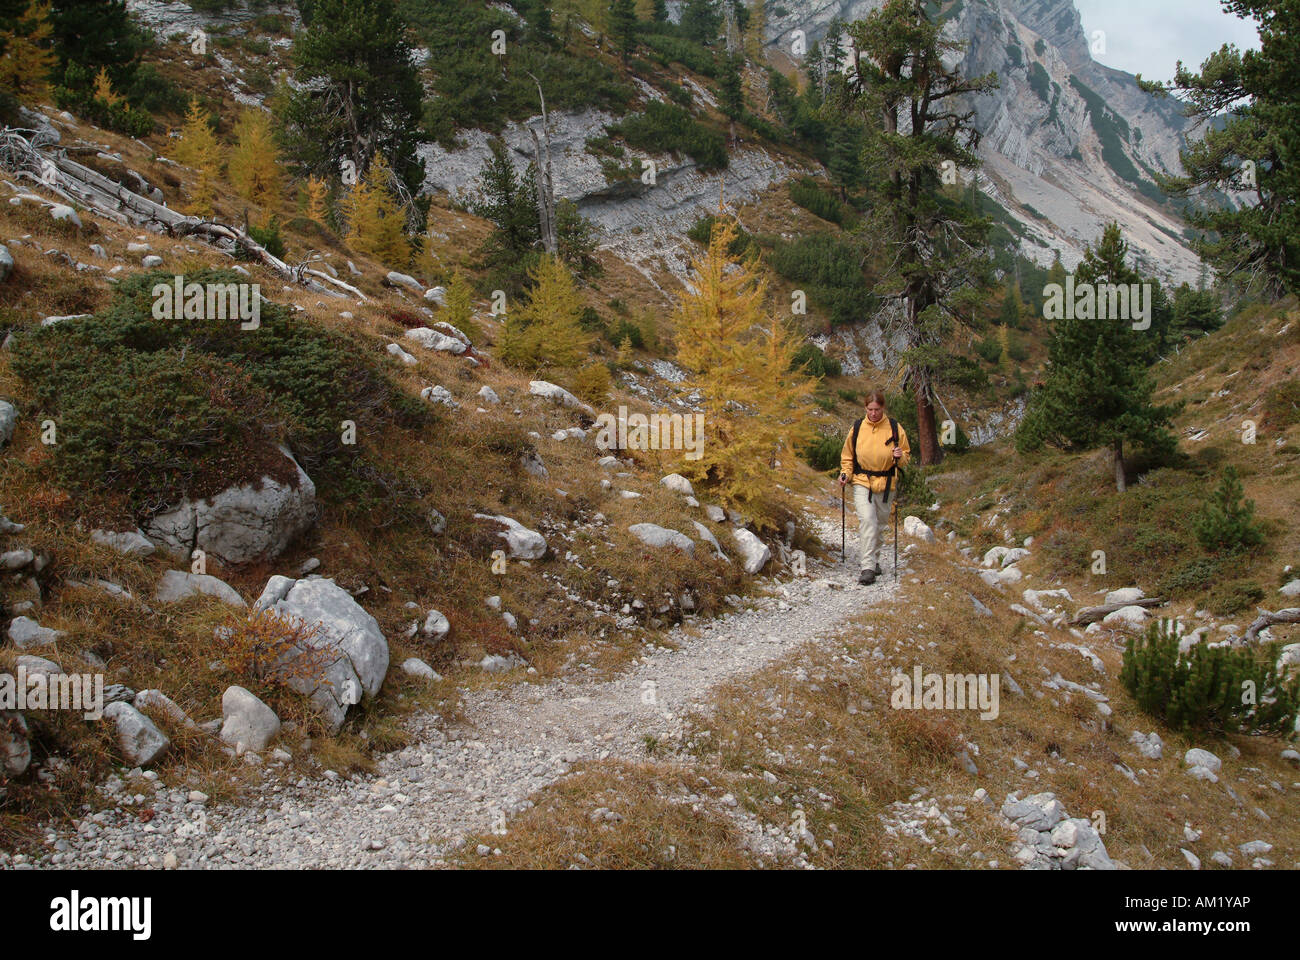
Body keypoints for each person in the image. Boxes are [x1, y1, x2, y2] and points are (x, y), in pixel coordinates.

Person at [838, 391, 911, 585]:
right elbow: (848, 455)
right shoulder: (857, 428)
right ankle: (868, 567)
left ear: (883, 408)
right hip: (862, 481)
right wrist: (846, 473)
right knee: (868, 521)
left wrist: (899, 456)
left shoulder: (895, 428)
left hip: (887, 484)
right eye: (870, 409)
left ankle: (874, 559)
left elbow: (905, 457)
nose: (873, 413)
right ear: (865, 408)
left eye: (877, 410)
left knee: (879, 525)